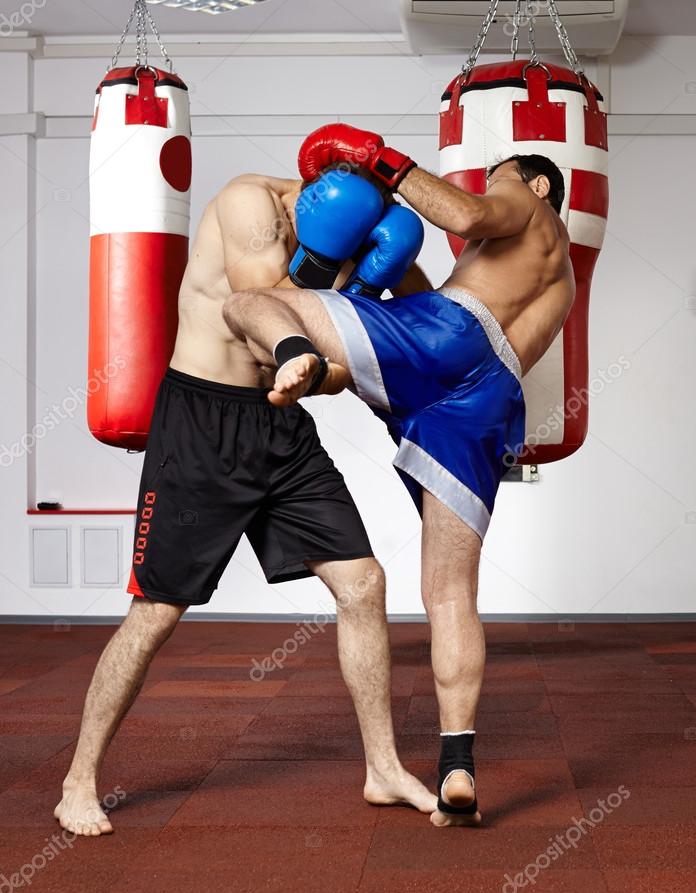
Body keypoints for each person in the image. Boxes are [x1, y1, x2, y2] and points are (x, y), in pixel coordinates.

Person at [56, 162, 435, 836]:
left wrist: (329, 356)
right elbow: (265, 302)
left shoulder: (351, 249)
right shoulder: (247, 202)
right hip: (200, 425)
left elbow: (337, 363)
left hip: (280, 428)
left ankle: (382, 766)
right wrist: (330, 303)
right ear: (318, 192)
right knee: (156, 613)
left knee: (363, 583)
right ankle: (78, 779)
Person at [221, 124, 576, 827]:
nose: (490, 188)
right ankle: (457, 764)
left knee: (244, 306)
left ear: (536, 187)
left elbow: (467, 216)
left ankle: (295, 350)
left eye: (502, 176)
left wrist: (377, 160)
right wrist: (390, 261)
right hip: (486, 395)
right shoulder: (556, 278)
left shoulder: (528, 207)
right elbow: (428, 316)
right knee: (449, 593)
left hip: (452, 336)